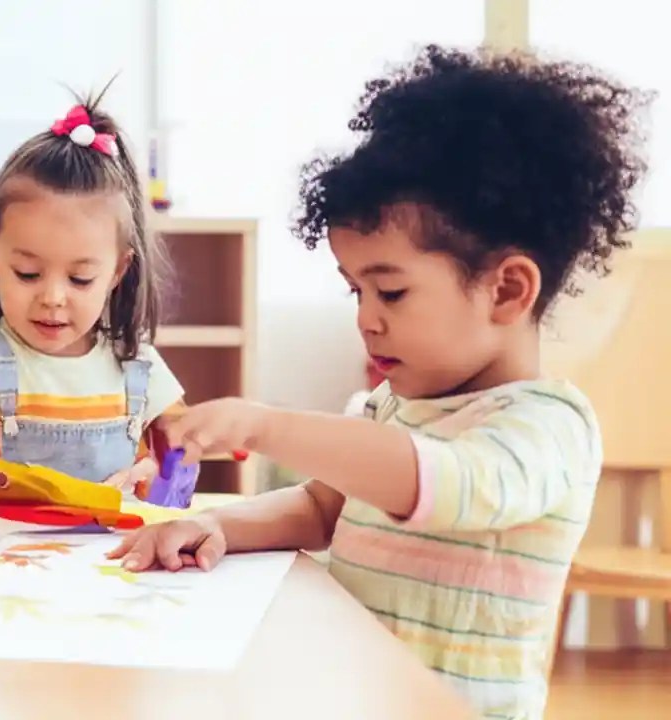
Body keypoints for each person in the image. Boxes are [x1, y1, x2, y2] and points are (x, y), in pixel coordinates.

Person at [110, 45, 647, 720]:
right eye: (354, 290)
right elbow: (325, 508)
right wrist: (218, 524)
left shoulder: (547, 426)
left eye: (390, 292)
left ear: (507, 289)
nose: (366, 320)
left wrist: (266, 424)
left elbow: (438, 484)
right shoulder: (397, 405)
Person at [0, 90, 185, 521]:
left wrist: (159, 468)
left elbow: (183, 443)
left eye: (80, 279)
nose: (52, 297)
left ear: (118, 271)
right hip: (1, 557)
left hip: (110, 561)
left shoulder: (138, 364)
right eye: (28, 273)